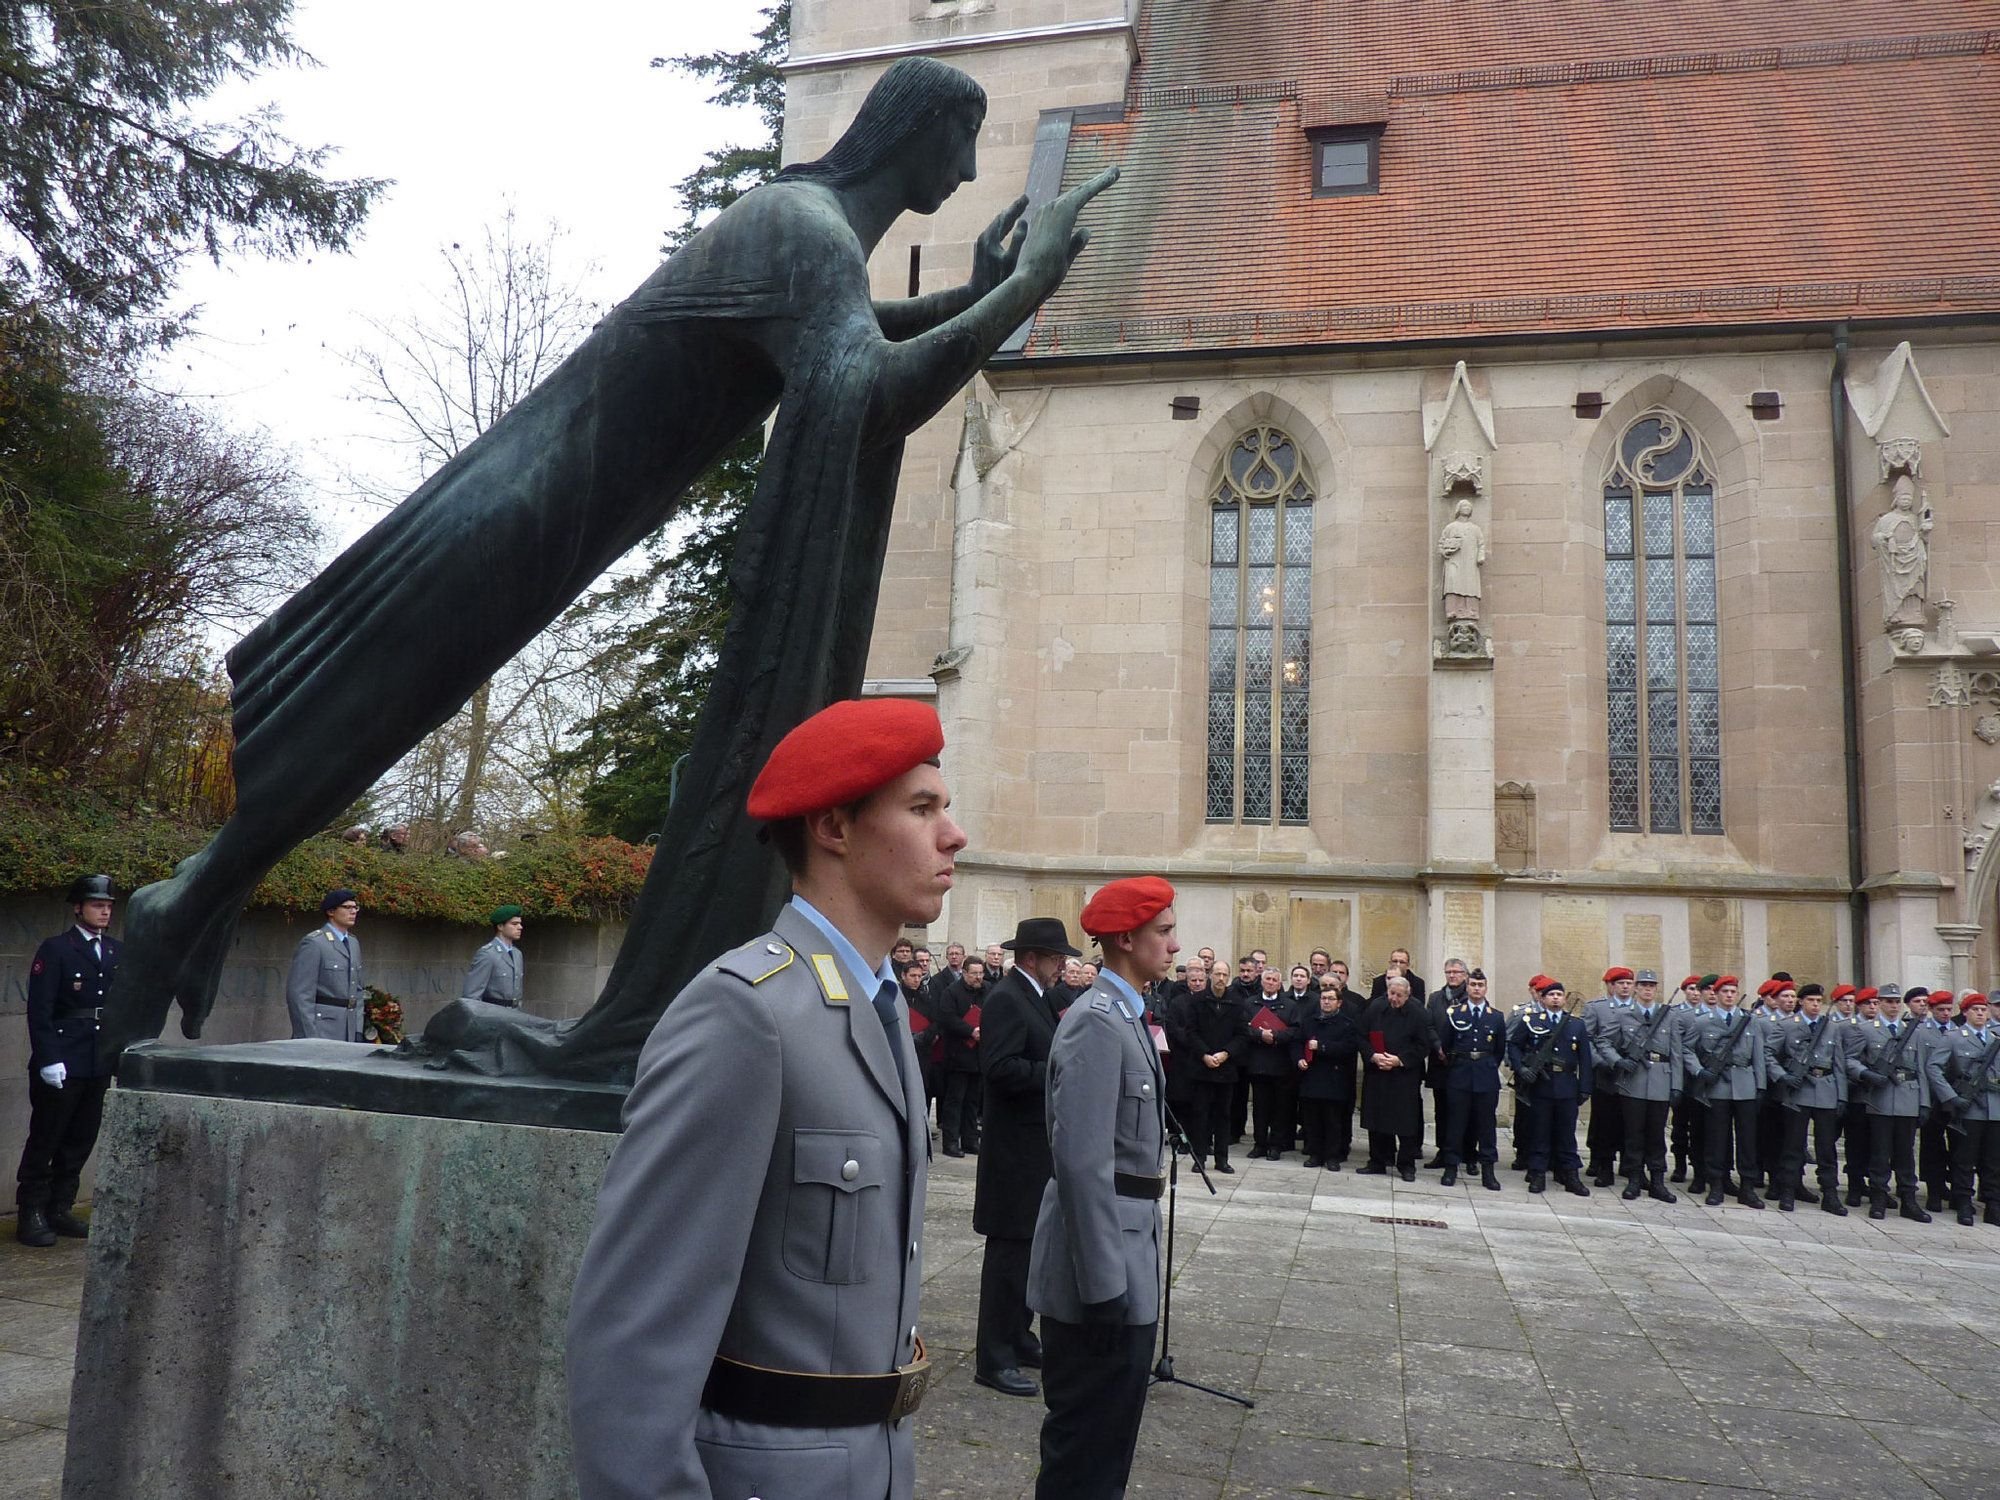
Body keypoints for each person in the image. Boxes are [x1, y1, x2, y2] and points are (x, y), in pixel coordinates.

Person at [566, 697, 961, 1500]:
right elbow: (635, 1333)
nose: (952, 835)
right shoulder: (746, 1013)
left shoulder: (881, 1008)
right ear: (834, 828)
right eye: (923, 809)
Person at [1028, 877, 1175, 1500]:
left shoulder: (1126, 1014)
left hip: (1127, 1247)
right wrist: (1104, 1285)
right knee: (1085, 1452)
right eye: (1163, 932)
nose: (1174, 945)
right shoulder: (1096, 1022)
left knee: (1109, 1446)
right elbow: (1082, 1163)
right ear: (1126, 939)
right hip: (1101, 1263)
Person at [973, 917, 1078, 1398]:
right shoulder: (1006, 998)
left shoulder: (1035, 997)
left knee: (1029, 1253)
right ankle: (993, 1358)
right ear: (1031, 958)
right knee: (1008, 1259)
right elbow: (999, 1068)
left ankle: (1018, 1337)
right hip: (1013, 1154)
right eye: (1056, 958)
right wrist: (1057, 1072)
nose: (1061, 967)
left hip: (1034, 1148)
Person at [15, 875, 120, 1248]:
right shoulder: (57, 949)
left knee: (80, 1138)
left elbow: (121, 1008)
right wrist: (48, 1058)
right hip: (63, 1056)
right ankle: (31, 1211)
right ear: (78, 908)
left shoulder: (115, 951)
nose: (104, 911)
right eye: (97, 904)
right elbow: (40, 1010)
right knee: (47, 1136)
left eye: (108, 905)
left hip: (96, 1058)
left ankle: (60, 1207)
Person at [1849, 985, 1939, 1222]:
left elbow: (1921, 1069)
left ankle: (1908, 1200)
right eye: (1888, 1001)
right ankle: (1878, 1198)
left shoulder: (1913, 1031)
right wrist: (1866, 1074)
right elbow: (1851, 1060)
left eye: (1897, 1001)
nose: (1893, 1005)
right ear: (1879, 1003)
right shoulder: (1866, 1030)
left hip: (1908, 1096)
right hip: (1880, 1098)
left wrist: (1924, 1103)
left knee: (1906, 1154)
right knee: (1880, 1153)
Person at [1684, 972, 1768, 1208]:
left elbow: (1758, 1055)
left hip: (1745, 1084)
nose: (1729, 996)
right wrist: (1699, 1071)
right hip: (1717, 1086)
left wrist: (1760, 1085)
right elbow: (1687, 1049)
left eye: (1733, 992)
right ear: (1717, 994)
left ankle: (1747, 1187)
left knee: (1747, 1139)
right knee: (1717, 1138)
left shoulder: (1750, 1021)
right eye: (1725, 992)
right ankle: (1716, 1184)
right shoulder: (1703, 1021)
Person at [1597, 968, 1680, 1204]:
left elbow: (1676, 1053)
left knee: (1657, 1135)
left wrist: (1677, 1085)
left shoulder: (1668, 1016)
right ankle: (1634, 1179)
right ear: (1636, 988)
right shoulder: (1624, 1014)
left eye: (1651, 986)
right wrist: (1617, 1061)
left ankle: (1657, 1181)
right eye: (1643, 985)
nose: (1647, 989)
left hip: (1661, 1079)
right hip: (1633, 1082)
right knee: (1633, 1134)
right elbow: (1603, 1041)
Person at [1508, 979, 1594, 1195]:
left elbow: (1585, 1058)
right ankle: (1537, 1174)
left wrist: (1585, 1087)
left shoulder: (1576, 1024)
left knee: (1567, 1133)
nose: (1555, 998)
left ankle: (1570, 1175)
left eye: (1559, 995)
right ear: (1543, 999)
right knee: (1540, 1132)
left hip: (1566, 1085)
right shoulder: (1531, 1020)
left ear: (1564, 999)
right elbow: (1514, 1045)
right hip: (1541, 1086)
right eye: (1551, 995)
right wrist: (1521, 1068)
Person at [1770, 984, 1847, 1215]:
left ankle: (1830, 1194)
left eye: (1818, 1001)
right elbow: (1769, 1054)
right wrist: (1782, 1076)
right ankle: (1788, 1190)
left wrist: (1841, 1095)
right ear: (1801, 1002)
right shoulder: (1787, 1025)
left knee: (1826, 1147)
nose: (1815, 1005)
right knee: (1793, 1145)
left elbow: (1839, 1063)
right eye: (1811, 1000)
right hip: (1799, 1091)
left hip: (1826, 1089)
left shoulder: (1831, 1027)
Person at [1435, 969, 1505, 1189]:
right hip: (1460, 1075)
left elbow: (1499, 1050)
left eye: (1480, 985)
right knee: (1456, 1123)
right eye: (1473, 984)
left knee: (1486, 1125)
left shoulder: (1496, 1016)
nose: (1476, 988)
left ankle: (1488, 1171)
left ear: (1486, 988)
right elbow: (1446, 1044)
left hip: (1486, 1076)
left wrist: (1487, 1065)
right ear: (1467, 987)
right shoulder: (1455, 1013)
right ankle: (1451, 1167)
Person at [1358, 975, 1431, 1178]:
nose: (1394, 999)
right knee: (1376, 1119)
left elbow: (1423, 1045)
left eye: (1399, 995)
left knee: (1405, 1121)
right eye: (1391, 993)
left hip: (1403, 1076)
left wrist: (1399, 1060)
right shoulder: (1375, 1008)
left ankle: (1406, 1165)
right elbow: (1361, 1036)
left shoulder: (1418, 1013)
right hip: (1378, 1072)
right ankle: (1377, 1161)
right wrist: (1373, 1056)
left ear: (1408, 995)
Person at [1938, 991, 2000, 1227]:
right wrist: (1951, 1097)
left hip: (1994, 1107)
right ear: (1965, 1013)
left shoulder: (1995, 1038)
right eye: (1975, 1010)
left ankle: (1993, 1204)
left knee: (1993, 1160)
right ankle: (1963, 1202)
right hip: (1969, 1107)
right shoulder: (1954, 1038)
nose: (1981, 1014)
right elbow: (1934, 1068)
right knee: (1965, 1158)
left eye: (1983, 1010)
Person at [1183, 960, 1248, 1174]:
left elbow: (1242, 1035)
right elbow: (1191, 1032)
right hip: (1202, 1066)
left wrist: (1225, 1053)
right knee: (1200, 1114)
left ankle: (1222, 1159)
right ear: (1210, 975)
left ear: (1228, 977)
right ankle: (1199, 1157)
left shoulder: (1237, 1002)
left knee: (1223, 1115)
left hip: (1225, 1068)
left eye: (1224, 975)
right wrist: (1204, 1054)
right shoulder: (1197, 1001)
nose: (1220, 978)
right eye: (1217, 974)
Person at [1293, 980, 1361, 1169]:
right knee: (1312, 1120)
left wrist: (1322, 1046)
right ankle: (1315, 1154)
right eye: (1323, 998)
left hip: (1334, 1080)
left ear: (1339, 1002)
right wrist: (1299, 1058)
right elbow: (1297, 1042)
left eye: (1331, 999)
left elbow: (1348, 1048)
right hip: (1311, 1078)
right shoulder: (1309, 1021)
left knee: (1333, 1122)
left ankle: (1332, 1156)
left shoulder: (1347, 1024)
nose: (1326, 1002)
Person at [286, 889, 364, 1041]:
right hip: (322, 1028)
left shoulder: (353, 943)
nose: (353, 911)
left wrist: (358, 1030)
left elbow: (358, 992)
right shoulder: (315, 943)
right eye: (347, 907)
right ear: (331, 911)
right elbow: (300, 994)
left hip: (348, 1029)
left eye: (355, 907)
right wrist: (308, 1036)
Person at [1582, 965, 1636, 1186]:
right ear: (1610, 985)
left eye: (1629, 983)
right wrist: (1601, 1062)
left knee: (1630, 1121)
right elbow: (1587, 1039)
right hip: (1606, 1074)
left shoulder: (1639, 1008)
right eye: (1621, 983)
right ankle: (1601, 1162)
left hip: (1632, 1075)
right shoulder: (1597, 1008)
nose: (1625, 987)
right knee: (1604, 1121)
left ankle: (1628, 1162)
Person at [1243, 965, 1301, 1161]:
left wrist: (1275, 1036)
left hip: (1281, 1064)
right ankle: (1259, 1144)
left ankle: (1276, 1145)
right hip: (1258, 1063)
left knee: (1280, 1108)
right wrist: (1260, 1035)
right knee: (1260, 1107)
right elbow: (1243, 1028)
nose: (1270, 983)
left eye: (1274, 980)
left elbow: (1295, 1030)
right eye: (1267, 979)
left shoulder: (1290, 1005)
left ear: (1279, 984)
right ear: (1261, 981)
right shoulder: (1250, 1003)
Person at [936, 956, 988, 1157]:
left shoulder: (988, 990)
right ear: (964, 973)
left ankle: (970, 1140)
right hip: (957, 1055)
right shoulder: (952, 992)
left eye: (980, 973)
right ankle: (950, 1142)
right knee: (955, 1101)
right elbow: (947, 1018)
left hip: (978, 1056)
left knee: (972, 1102)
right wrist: (970, 1031)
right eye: (974, 973)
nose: (978, 977)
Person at [1424, 957, 1470, 1168]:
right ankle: (1442, 1151)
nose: (1452, 976)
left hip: (1463, 1064)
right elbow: (1429, 1025)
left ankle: (1467, 1153)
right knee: (1441, 1111)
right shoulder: (1435, 998)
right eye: (1448, 972)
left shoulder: (1471, 998)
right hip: (1440, 1063)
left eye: (1456, 972)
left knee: (1465, 1110)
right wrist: (1437, 1046)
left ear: (1465, 975)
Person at [460, 905, 526, 1007]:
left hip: (514, 1013)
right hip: (492, 1013)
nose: (520, 927)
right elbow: (471, 996)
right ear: (500, 927)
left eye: (520, 923)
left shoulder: (517, 954)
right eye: (514, 924)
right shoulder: (488, 954)